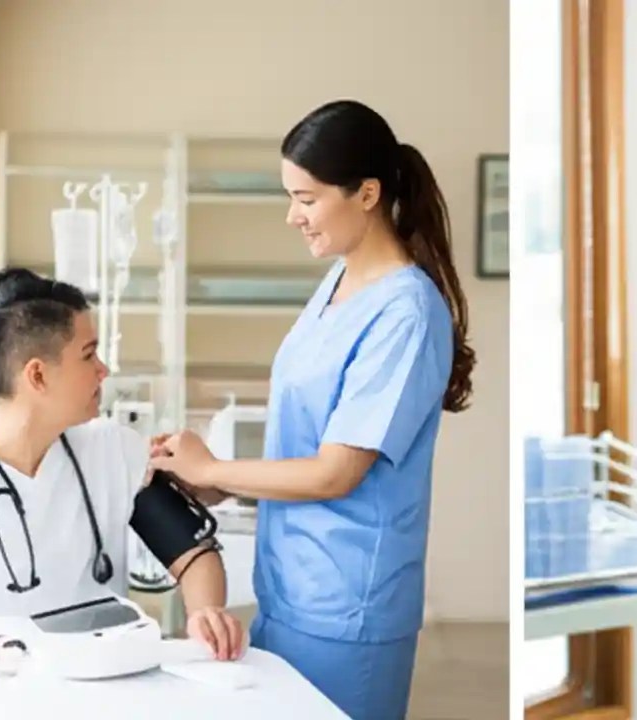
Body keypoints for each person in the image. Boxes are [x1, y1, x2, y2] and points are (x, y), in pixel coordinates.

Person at [149, 98, 474, 720]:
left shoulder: (405, 313)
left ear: (367, 194)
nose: (292, 216)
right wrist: (212, 482)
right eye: (290, 197)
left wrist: (214, 468)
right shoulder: (338, 281)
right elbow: (303, 441)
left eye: (306, 199)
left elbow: (335, 472)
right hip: (287, 594)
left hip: (348, 610)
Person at [0, 268, 247, 672]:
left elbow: (193, 554)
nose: (103, 370)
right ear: (37, 375)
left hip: (100, 682)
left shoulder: (113, 449)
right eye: (88, 355)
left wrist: (205, 612)